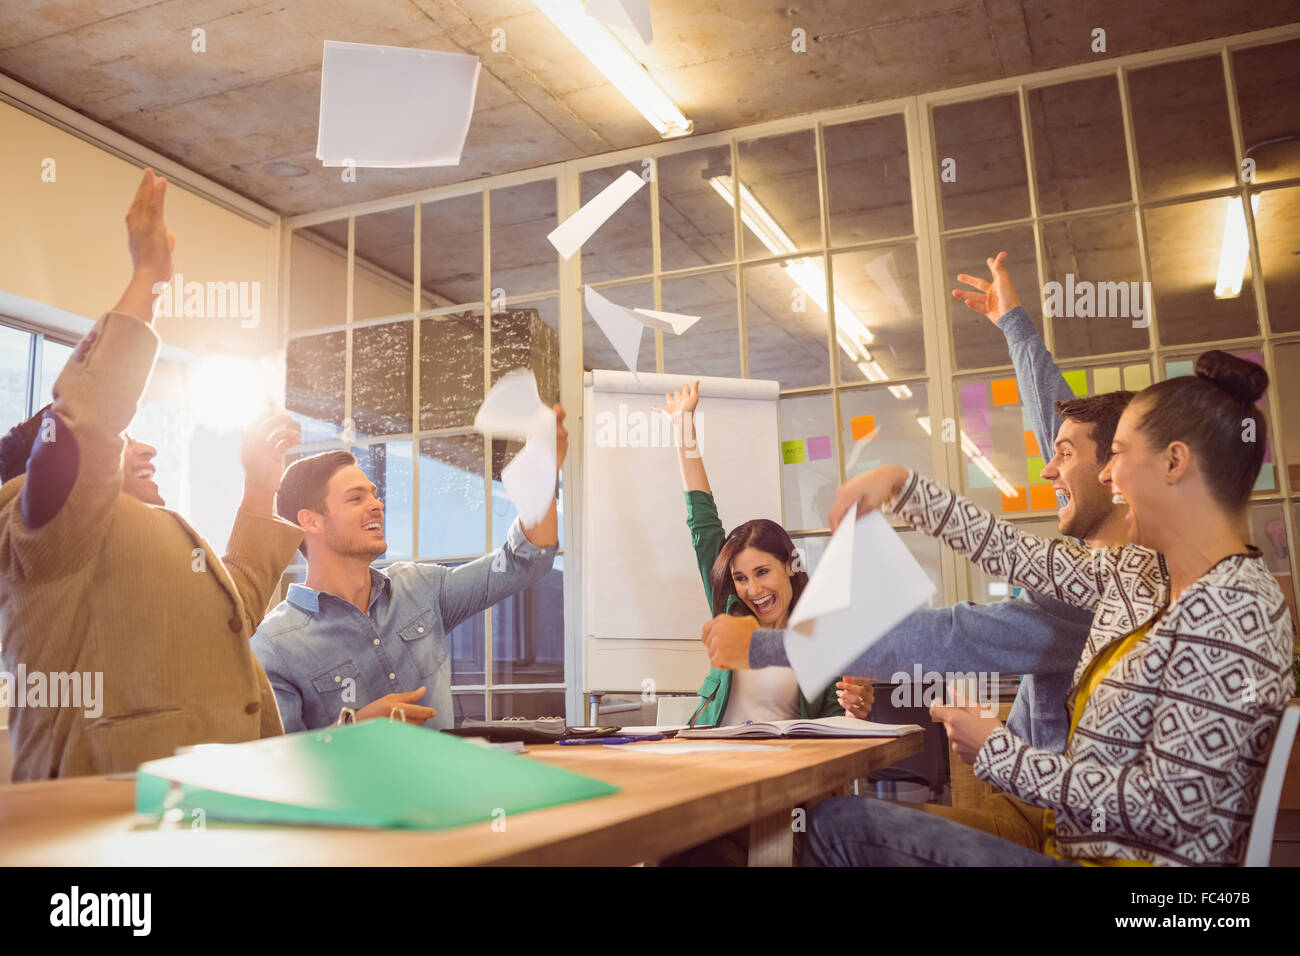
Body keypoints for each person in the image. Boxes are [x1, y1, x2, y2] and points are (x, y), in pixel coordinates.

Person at [793, 350, 1295, 866]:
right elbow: (1017, 555)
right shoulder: (1141, 574)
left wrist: (997, 752)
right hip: (1070, 848)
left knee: (838, 827)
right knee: (835, 824)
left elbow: (1165, 810)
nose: (1106, 476)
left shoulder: (1233, 612)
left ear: (1173, 463)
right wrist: (902, 486)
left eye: (1118, 454)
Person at [702, 252, 1131, 753]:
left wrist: (762, 647)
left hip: (1041, 801)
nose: (1047, 468)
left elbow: (952, 634)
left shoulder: (1096, 589)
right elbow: (1066, 435)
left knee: (835, 827)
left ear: (1115, 472)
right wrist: (1016, 328)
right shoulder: (1094, 564)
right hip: (1025, 783)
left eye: (1063, 456)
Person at [0, 169, 305, 780]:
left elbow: (234, 606)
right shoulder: (43, 539)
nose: (144, 453)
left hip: (209, 811)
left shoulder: (143, 538)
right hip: (104, 825)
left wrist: (259, 482)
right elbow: (84, 425)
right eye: (124, 445)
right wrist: (148, 281)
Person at [250, 422, 565, 733]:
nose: (377, 504)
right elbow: (281, 761)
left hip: (443, 783)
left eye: (373, 495)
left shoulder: (421, 588)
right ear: (311, 522)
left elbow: (524, 562)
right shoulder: (274, 645)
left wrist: (542, 476)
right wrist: (356, 726)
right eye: (356, 498)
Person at [652, 381, 869, 725]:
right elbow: (703, 523)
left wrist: (852, 708)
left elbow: (834, 718)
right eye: (741, 578)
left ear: (790, 566)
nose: (752, 590)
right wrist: (683, 428)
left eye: (763, 572)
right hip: (719, 755)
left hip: (788, 765)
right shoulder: (729, 607)